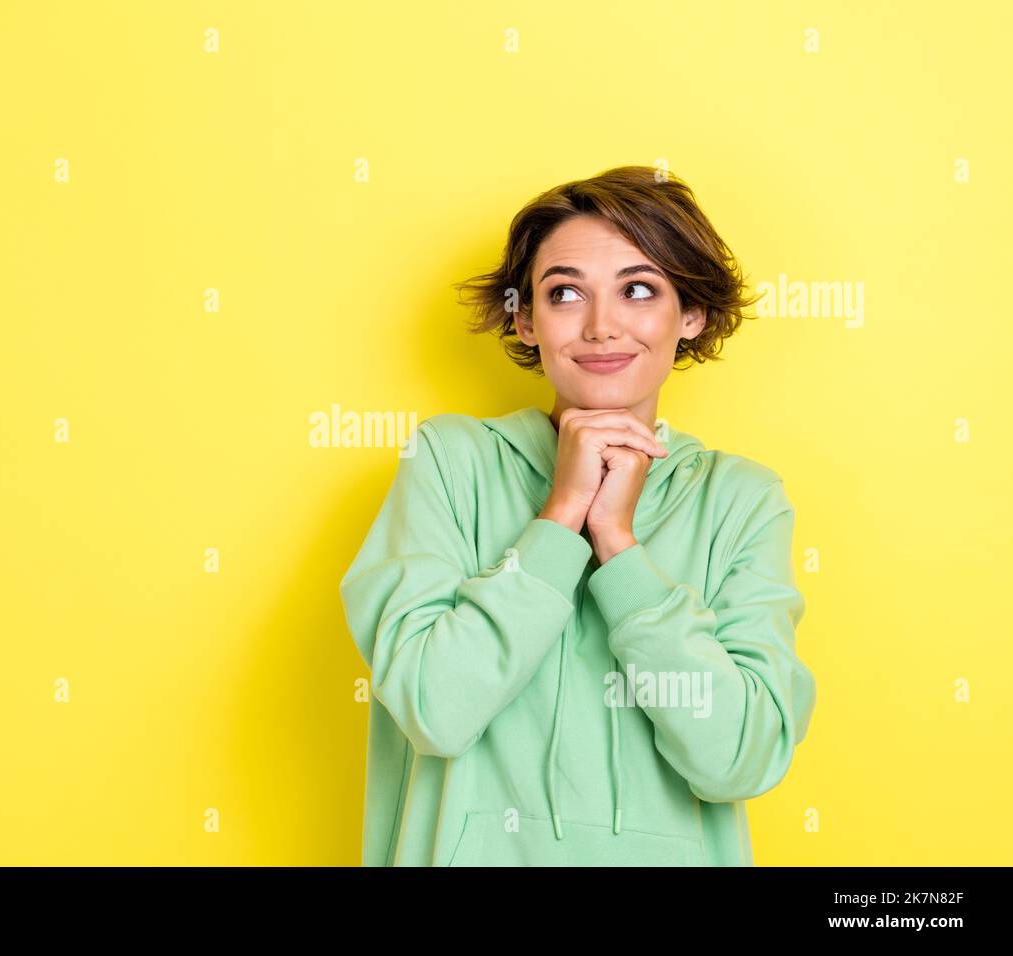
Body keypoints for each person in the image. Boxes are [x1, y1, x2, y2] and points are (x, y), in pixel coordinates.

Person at [338, 166, 816, 866]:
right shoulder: (451, 460)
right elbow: (435, 710)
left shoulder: (743, 499)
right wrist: (560, 519)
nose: (601, 326)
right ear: (526, 319)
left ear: (691, 314)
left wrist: (619, 549)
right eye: (565, 293)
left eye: (639, 289)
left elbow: (739, 760)